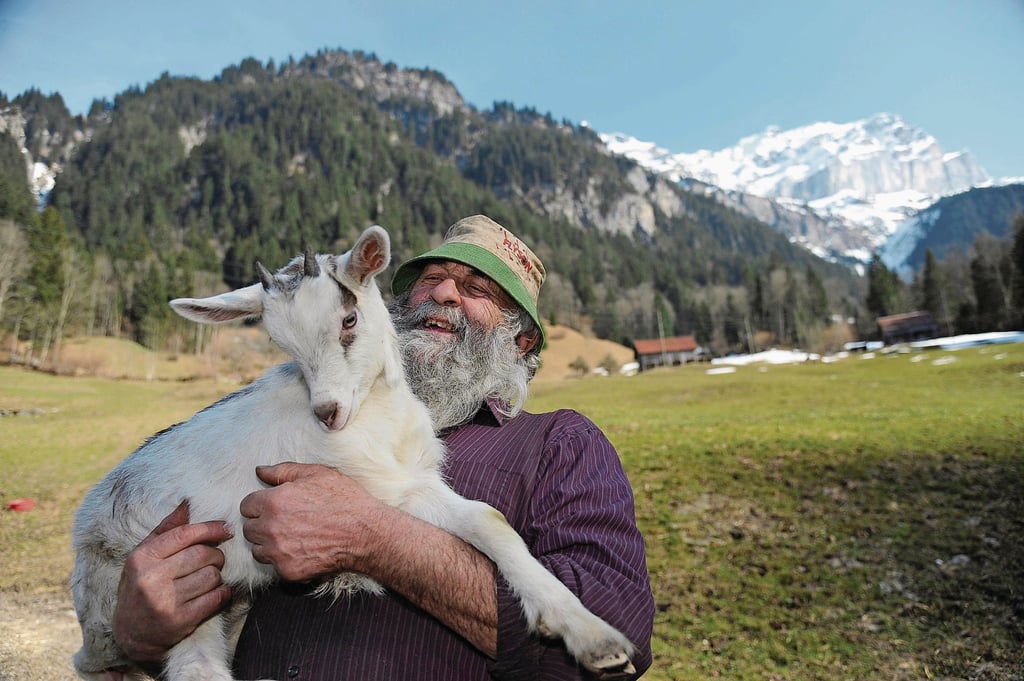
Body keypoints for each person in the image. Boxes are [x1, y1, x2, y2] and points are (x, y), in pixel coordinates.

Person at [109, 215, 655, 680]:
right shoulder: (289, 416)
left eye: (478, 289)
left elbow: (616, 635)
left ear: (522, 340)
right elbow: (194, 576)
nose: (444, 293)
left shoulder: (559, 445)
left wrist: (374, 537)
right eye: (432, 278)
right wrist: (138, 633)